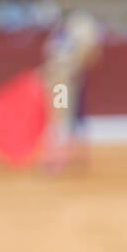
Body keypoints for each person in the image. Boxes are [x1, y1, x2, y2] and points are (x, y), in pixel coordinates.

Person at [39, 10, 103, 172]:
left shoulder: (61, 37)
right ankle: (75, 155)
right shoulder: (74, 36)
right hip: (69, 79)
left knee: (60, 118)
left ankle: (58, 160)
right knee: (72, 117)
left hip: (61, 83)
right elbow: (91, 54)